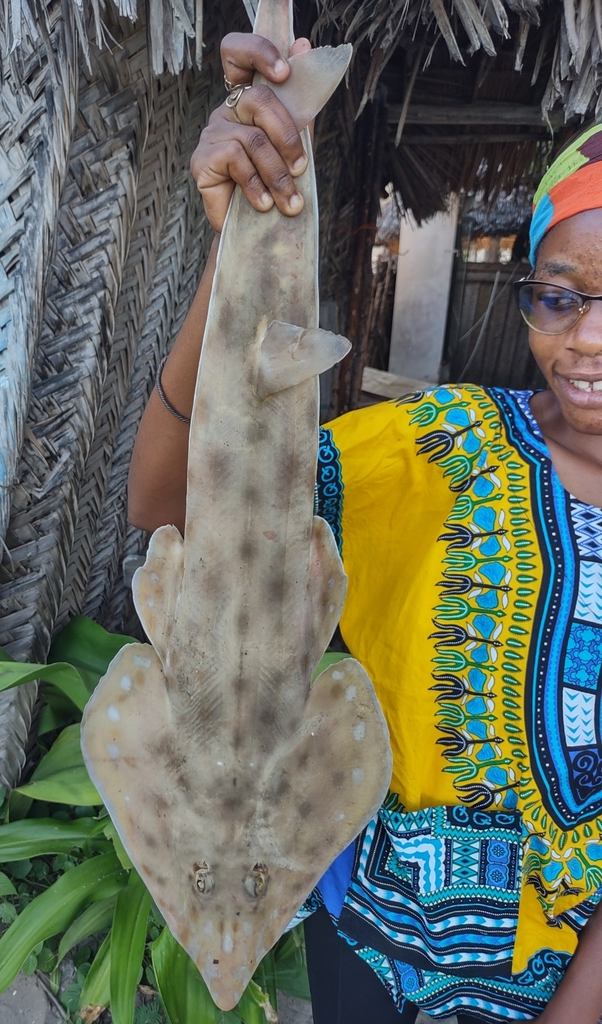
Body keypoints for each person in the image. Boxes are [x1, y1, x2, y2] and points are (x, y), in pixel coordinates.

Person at [127, 29, 602, 1024]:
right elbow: (169, 507)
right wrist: (233, 254)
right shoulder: (443, 446)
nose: (585, 338)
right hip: (373, 955)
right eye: (559, 297)